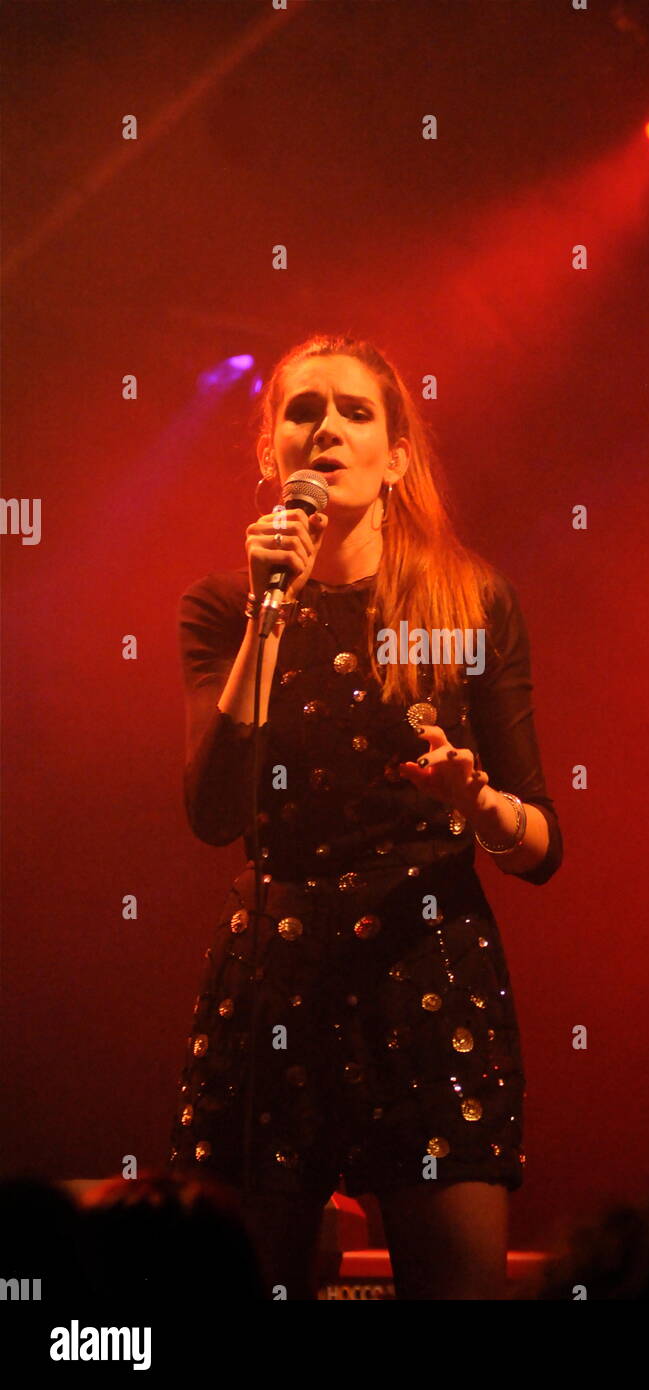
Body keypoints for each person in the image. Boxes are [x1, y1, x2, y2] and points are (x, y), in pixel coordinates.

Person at [168, 334, 563, 1299]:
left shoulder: (471, 601)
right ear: (271, 455)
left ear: (395, 456)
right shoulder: (224, 607)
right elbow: (213, 812)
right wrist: (274, 611)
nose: (326, 431)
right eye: (303, 411)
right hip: (277, 965)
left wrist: (479, 804)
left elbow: (545, 845)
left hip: (427, 962)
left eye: (353, 412)